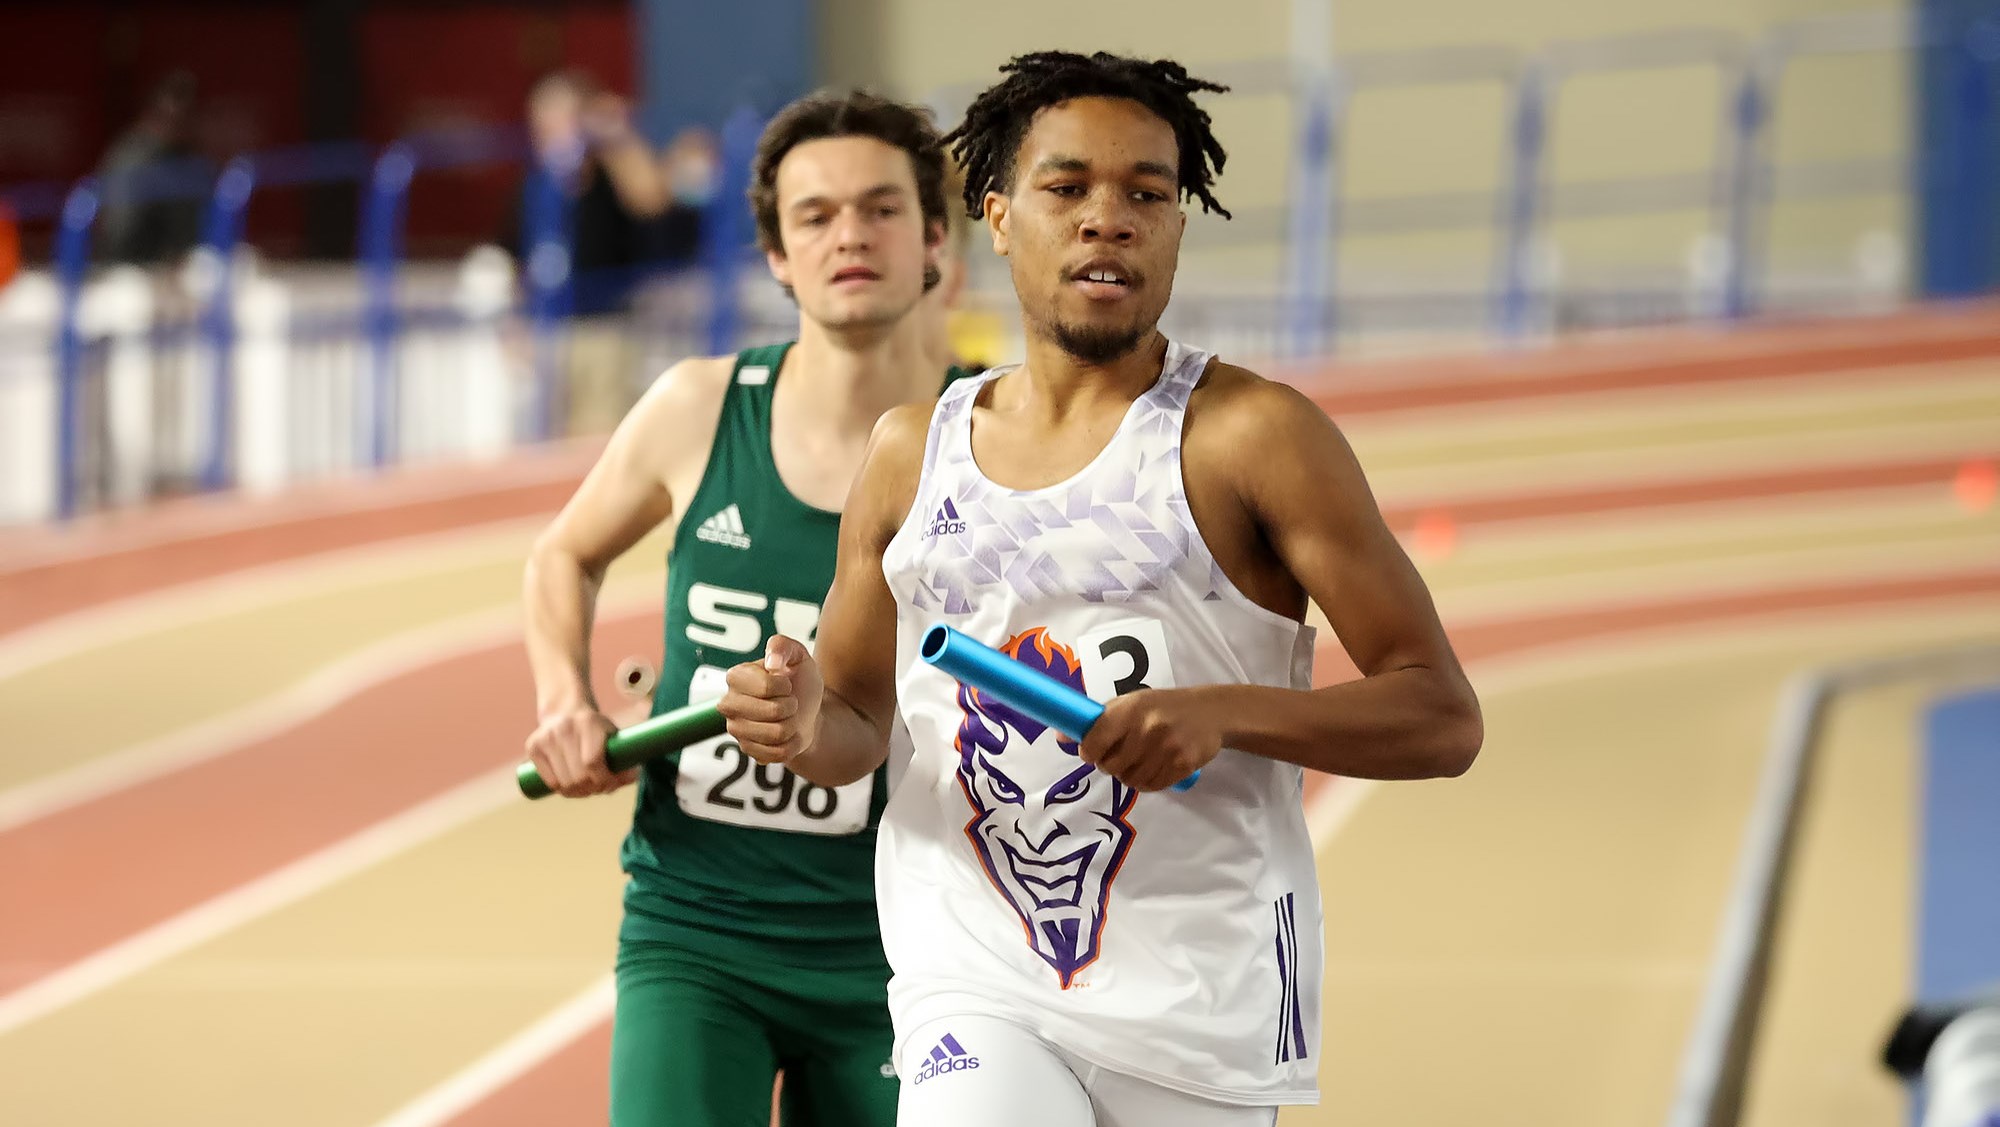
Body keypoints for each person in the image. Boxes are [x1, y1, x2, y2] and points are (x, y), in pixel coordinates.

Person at [717, 50, 1485, 1127]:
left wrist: (1223, 713)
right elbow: (849, 718)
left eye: (1145, 193)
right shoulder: (909, 455)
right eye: (1066, 187)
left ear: (1176, 222)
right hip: (974, 975)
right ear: (995, 213)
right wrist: (798, 719)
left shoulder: (1255, 437)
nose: (1106, 218)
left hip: (1197, 996)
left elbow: (1439, 715)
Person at [519, 88, 973, 1127]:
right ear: (774, 254)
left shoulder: (992, 434)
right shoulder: (698, 406)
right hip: (696, 926)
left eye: (879, 207)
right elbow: (562, 554)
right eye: (814, 215)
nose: (848, 233)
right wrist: (567, 697)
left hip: (911, 941)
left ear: (935, 240)